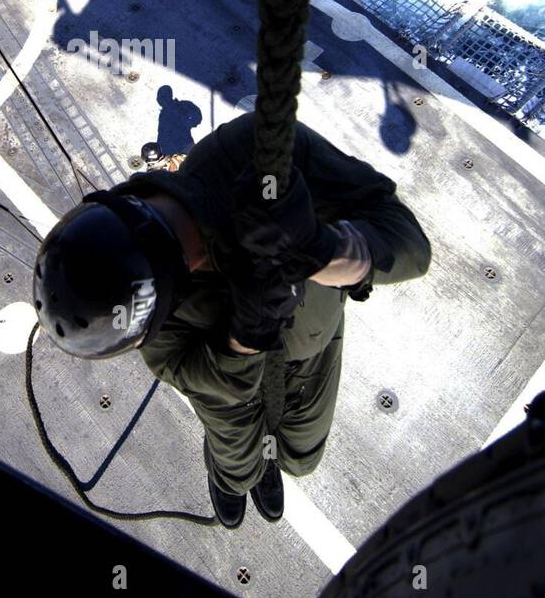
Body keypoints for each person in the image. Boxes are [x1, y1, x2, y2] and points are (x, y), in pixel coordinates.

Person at [32, 111, 432, 529]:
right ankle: (233, 480)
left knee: (302, 455)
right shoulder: (138, 304)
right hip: (232, 398)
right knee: (235, 459)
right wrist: (243, 339)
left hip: (311, 357)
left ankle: (266, 465)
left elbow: (409, 243)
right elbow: (187, 371)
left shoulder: (254, 147)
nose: (201, 246)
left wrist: (321, 249)